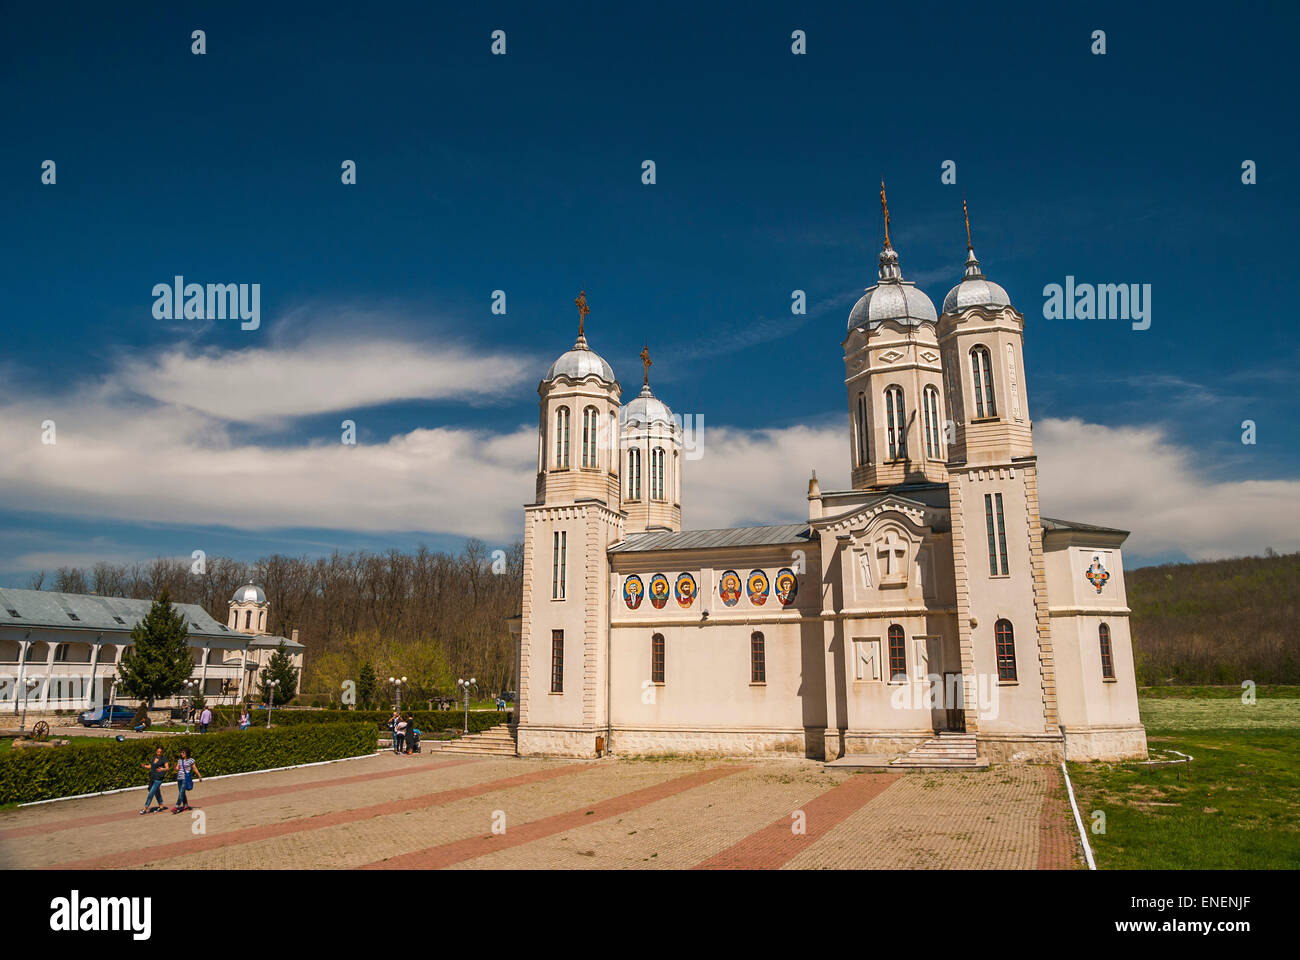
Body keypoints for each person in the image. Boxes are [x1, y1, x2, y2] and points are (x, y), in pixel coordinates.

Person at [140, 747, 170, 814]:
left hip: (159, 778)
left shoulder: (164, 758)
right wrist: (144, 766)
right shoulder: (153, 758)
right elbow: (150, 766)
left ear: (162, 752)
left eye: (160, 752)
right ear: (156, 752)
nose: (159, 753)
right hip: (152, 777)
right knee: (157, 792)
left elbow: (167, 768)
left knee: (151, 793)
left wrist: (162, 769)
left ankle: (145, 808)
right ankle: (161, 806)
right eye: (157, 751)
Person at [172, 745, 202, 813]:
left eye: (183, 752)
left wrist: (199, 776)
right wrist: (174, 767)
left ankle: (177, 806)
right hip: (179, 778)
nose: (181, 754)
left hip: (185, 778)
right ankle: (185, 805)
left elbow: (194, 768)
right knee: (182, 793)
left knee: (181, 793)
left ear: (186, 753)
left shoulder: (191, 760)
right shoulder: (179, 760)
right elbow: (177, 769)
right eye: (181, 752)